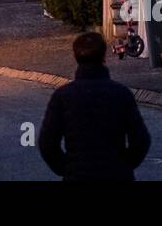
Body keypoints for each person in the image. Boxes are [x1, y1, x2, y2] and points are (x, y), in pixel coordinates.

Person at [39, 31, 151, 181]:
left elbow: (47, 143)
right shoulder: (121, 94)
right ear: (104, 56)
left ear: (75, 56)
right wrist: (123, 166)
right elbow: (141, 140)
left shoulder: (62, 97)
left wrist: (68, 169)